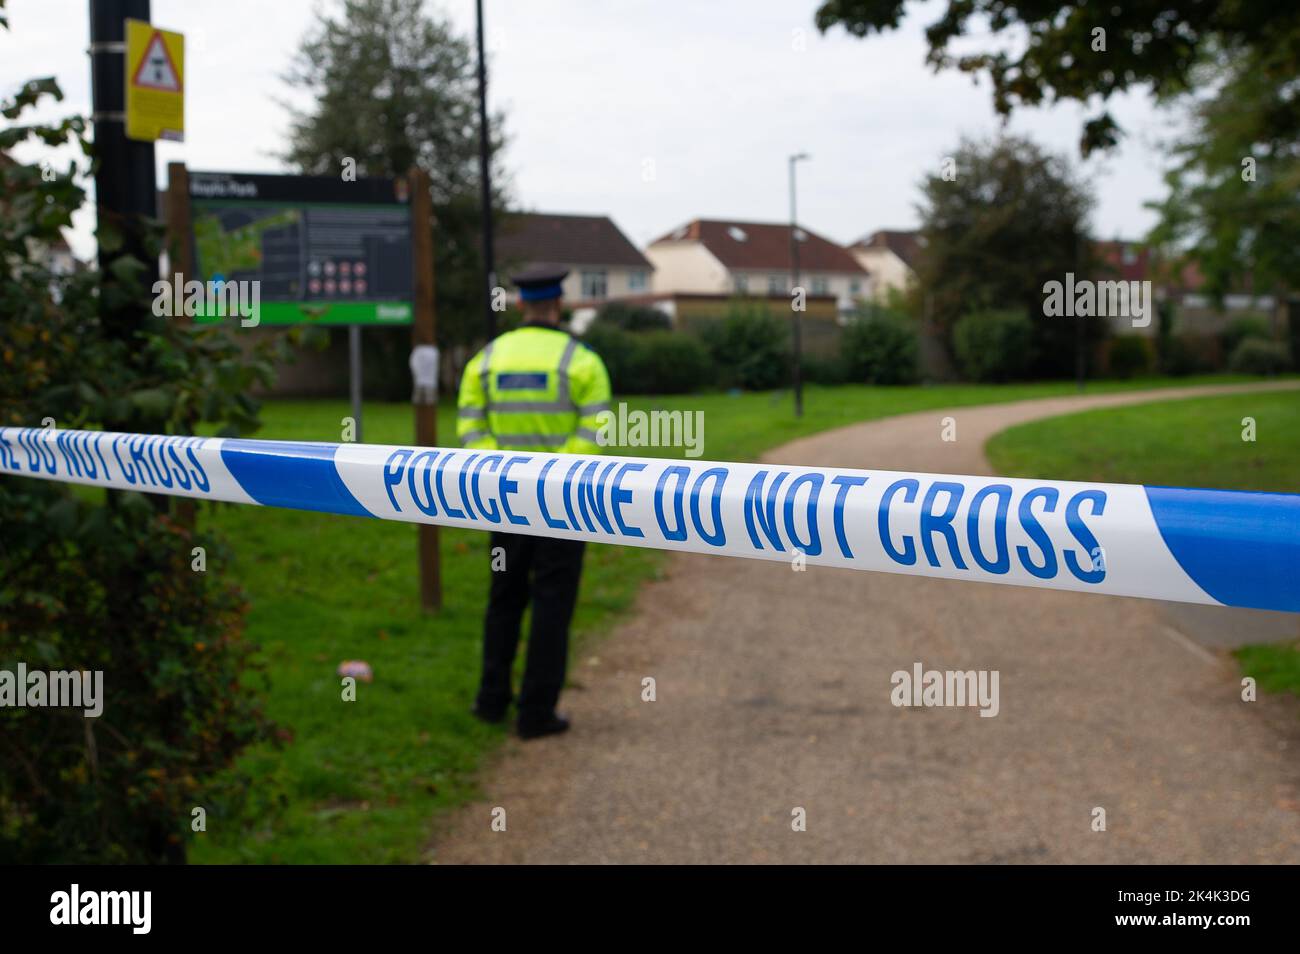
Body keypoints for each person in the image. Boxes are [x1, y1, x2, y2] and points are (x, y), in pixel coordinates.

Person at [456, 266, 612, 739]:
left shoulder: (484, 360)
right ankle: (536, 713)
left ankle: (490, 701)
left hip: (502, 500)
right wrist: (553, 477)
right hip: (562, 503)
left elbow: (470, 426)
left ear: (521, 305)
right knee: (552, 605)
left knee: (503, 599)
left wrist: (501, 475)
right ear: (558, 306)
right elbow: (595, 431)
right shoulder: (581, 361)